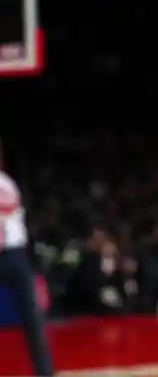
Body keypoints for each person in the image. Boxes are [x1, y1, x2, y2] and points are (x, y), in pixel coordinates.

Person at [0, 144, 55, 375]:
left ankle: (44, 372)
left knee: (32, 317)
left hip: (14, 255)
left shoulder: (5, 183)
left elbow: (10, 208)